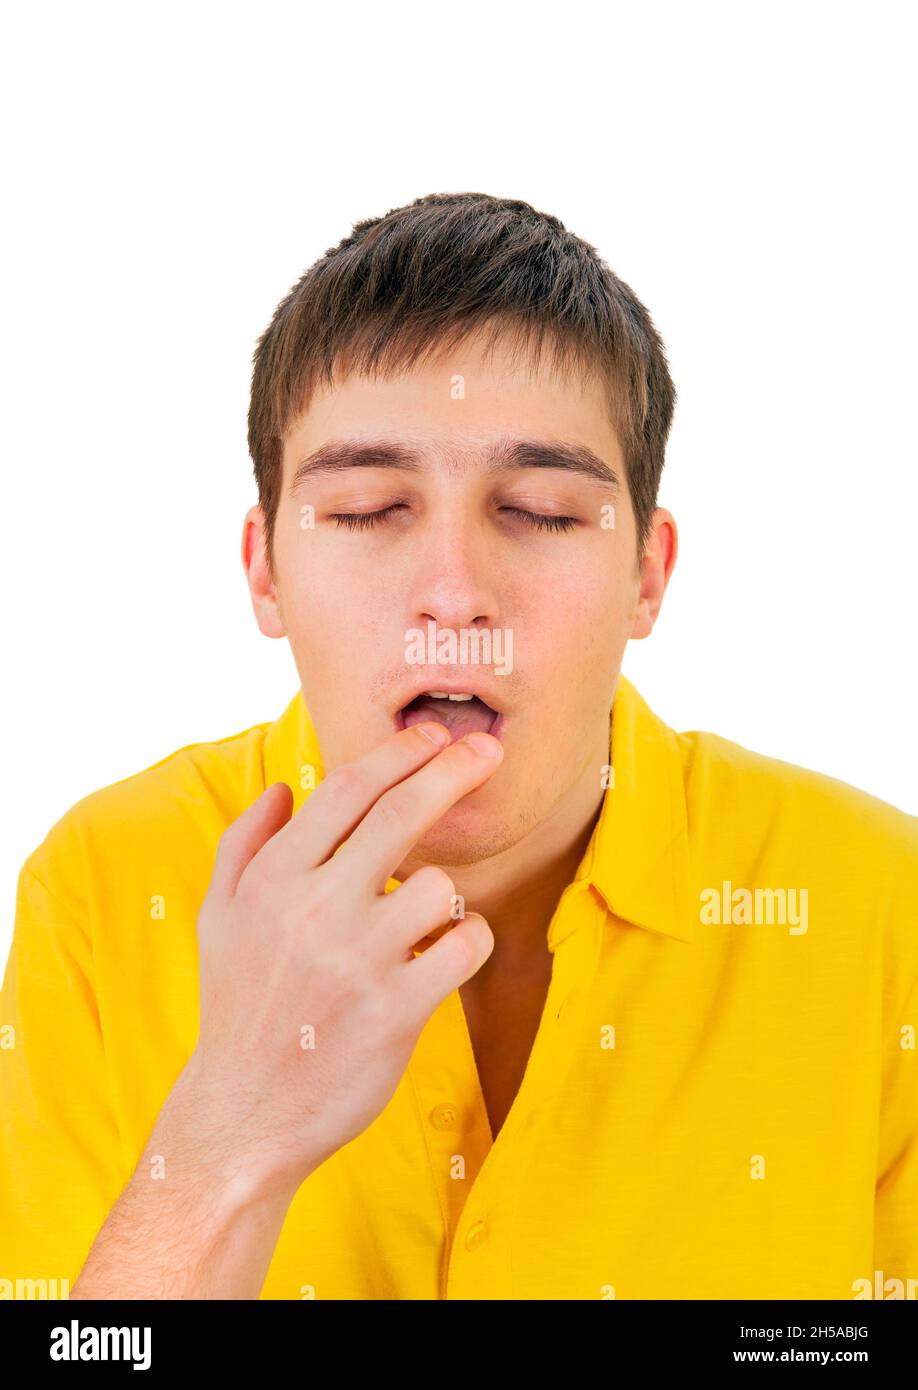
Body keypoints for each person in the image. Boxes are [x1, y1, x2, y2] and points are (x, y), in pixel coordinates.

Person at [1, 192, 915, 1302]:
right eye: (371, 507)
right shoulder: (103, 886)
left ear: (648, 576)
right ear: (265, 572)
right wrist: (227, 1137)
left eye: (536, 509)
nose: (453, 598)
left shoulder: (878, 902)